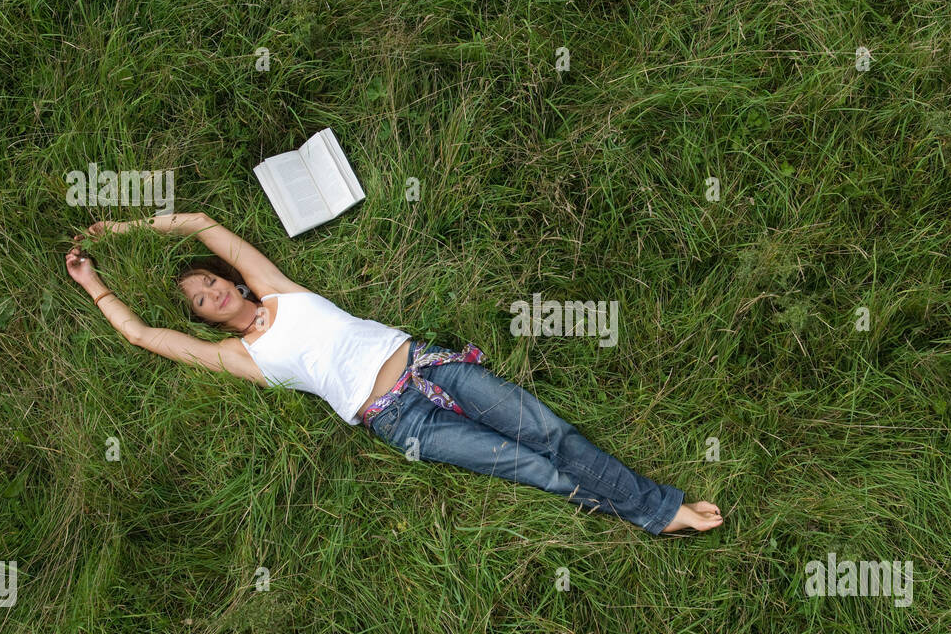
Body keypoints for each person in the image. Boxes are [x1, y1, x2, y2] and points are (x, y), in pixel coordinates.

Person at [64, 212, 724, 536]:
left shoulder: (277, 288)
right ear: (207, 321)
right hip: (397, 418)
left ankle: (658, 506)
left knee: (549, 431)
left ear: (231, 279)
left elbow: (207, 224)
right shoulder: (240, 357)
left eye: (211, 281)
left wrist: (120, 226)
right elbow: (144, 333)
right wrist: (94, 283)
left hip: (426, 365)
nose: (213, 292)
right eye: (202, 300)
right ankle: (659, 514)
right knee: (530, 468)